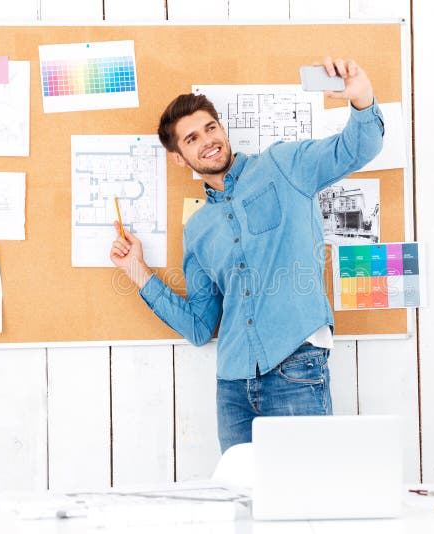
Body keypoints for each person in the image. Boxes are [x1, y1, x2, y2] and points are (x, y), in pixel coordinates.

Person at [110, 57, 384, 453]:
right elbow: (201, 326)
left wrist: (360, 97)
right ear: (178, 158)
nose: (208, 140)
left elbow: (359, 147)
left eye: (210, 127)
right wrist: (137, 271)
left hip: (298, 366)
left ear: (221, 128)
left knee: (303, 495)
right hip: (233, 386)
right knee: (243, 504)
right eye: (191, 139)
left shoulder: (282, 165)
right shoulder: (198, 230)